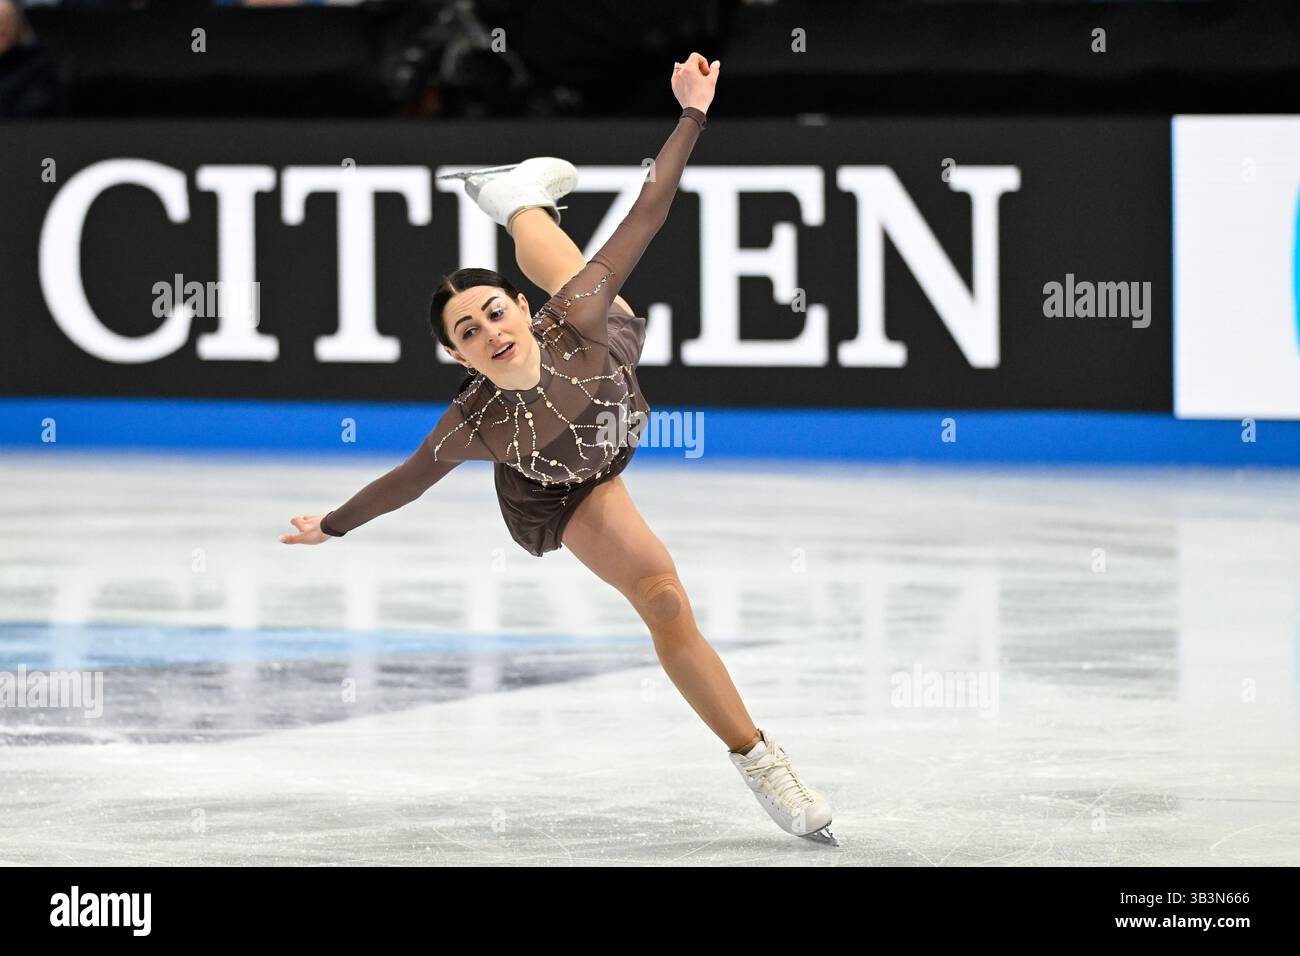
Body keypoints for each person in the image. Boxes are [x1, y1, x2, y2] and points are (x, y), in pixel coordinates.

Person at [280, 52, 837, 846]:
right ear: (459, 359)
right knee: (664, 597)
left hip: (599, 369)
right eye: (467, 333)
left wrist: (691, 113)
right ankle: (760, 761)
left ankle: (514, 200)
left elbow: (649, 209)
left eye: (496, 313)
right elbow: (404, 483)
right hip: (567, 486)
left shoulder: (570, 319)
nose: (491, 333)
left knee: (588, 279)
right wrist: (330, 526)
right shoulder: (475, 426)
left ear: (521, 308)